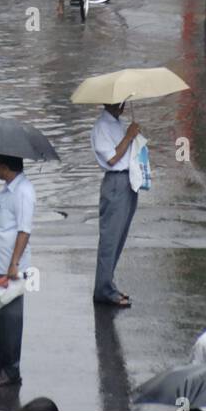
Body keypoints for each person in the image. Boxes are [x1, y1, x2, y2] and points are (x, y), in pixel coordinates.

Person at [0, 155, 35, 389]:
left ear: (6, 166)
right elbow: (2, 214)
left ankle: (11, 370)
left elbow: (24, 230)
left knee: (10, 317)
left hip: (9, 267)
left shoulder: (24, 192)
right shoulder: (7, 189)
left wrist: (14, 263)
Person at [91, 103, 141, 308]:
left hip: (128, 181)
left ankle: (108, 284)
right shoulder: (102, 126)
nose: (123, 105)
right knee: (110, 239)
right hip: (115, 183)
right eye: (119, 101)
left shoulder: (117, 124)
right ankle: (103, 290)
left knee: (120, 237)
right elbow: (111, 158)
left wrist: (134, 138)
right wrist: (129, 136)